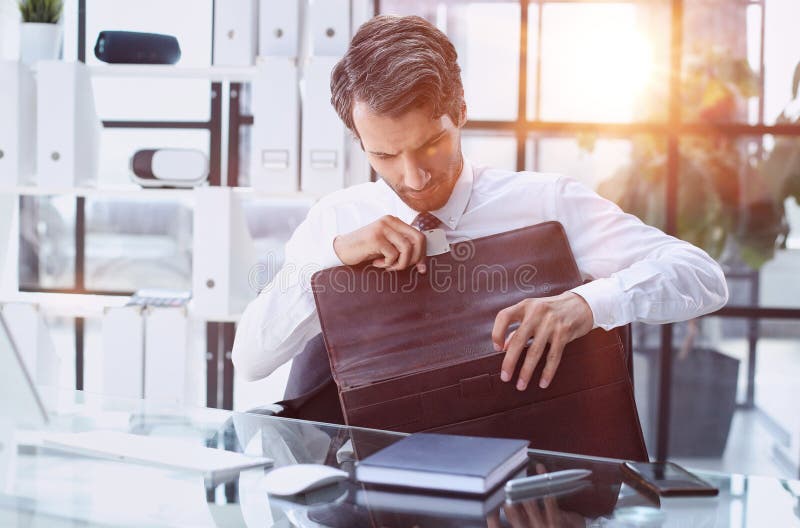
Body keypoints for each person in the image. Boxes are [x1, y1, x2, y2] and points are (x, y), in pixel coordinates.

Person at [232, 15, 728, 395]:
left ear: (461, 110)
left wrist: (590, 304)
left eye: (431, 144)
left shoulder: (546, 202)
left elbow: (702, 276)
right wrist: (334, 260)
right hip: (373, 477)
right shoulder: (337, 220)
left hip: (527, 473)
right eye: (383, 154)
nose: (413, 177)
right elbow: (251, 359)